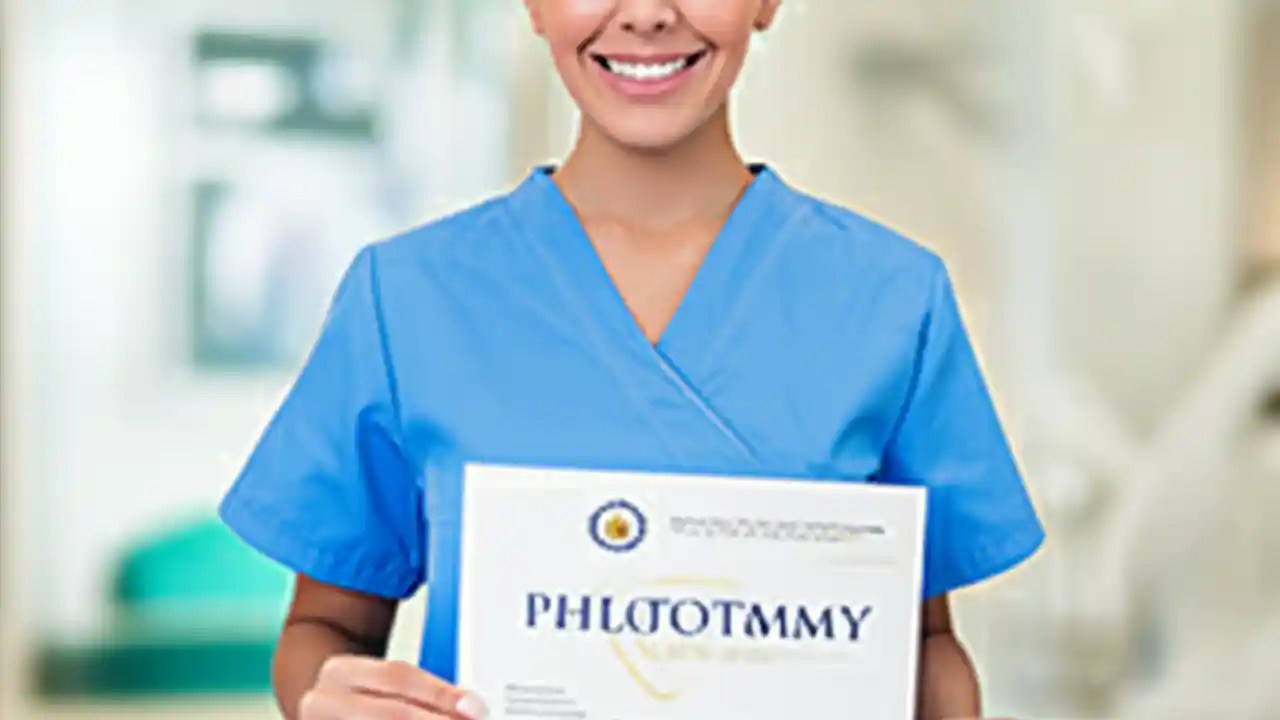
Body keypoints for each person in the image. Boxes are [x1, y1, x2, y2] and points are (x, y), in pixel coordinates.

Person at [218, 1, 1045, 718]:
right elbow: (325, 631)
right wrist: (331, 699)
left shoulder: (891, 299)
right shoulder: (407, 299)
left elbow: (923, 640)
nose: (646, 13)